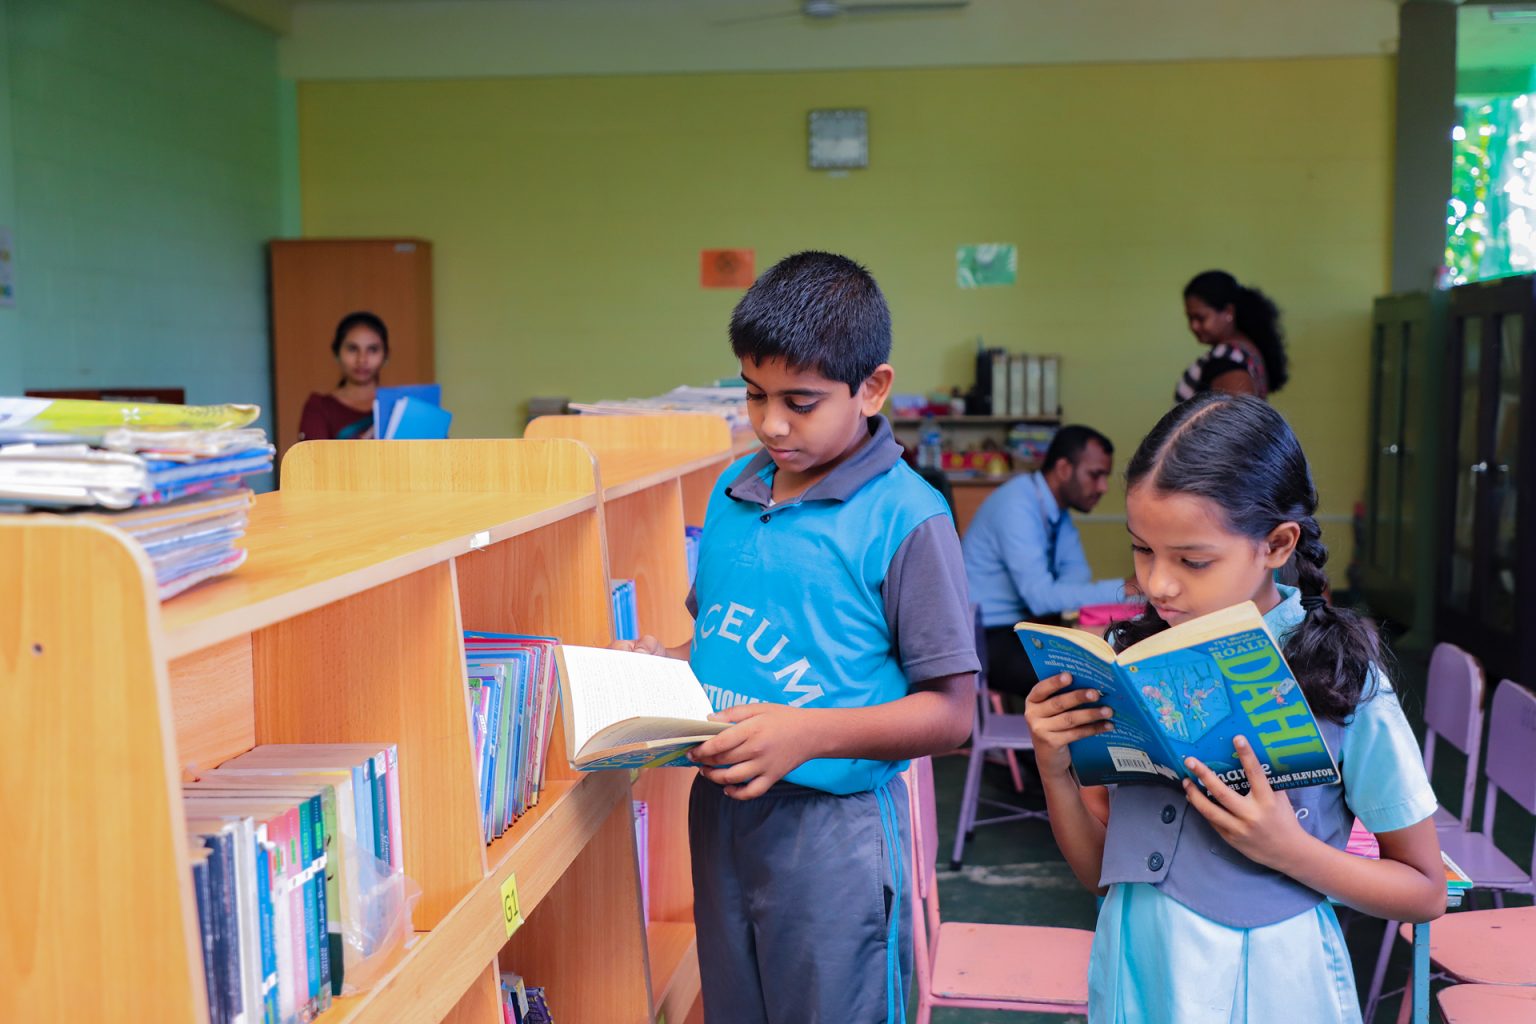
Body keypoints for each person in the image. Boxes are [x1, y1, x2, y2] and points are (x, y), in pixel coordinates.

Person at [616, 251, 978, 1024]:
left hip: (833, 836)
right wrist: (660, 669)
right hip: (719, 817)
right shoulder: (732, 488)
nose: (771, 423)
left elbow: (952, 715)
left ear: (872, 388)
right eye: (754, 395)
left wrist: (806, 736)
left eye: (801, 401)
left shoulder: (907, 518)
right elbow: (722, 644)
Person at [1024, 394, 1443, 1024]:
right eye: (1142, 550)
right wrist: (1054, 766)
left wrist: (1290, 850)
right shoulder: (1131, 664)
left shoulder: (1343, 680)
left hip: (1277, 982)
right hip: (1139, 966)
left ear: (1276, 544)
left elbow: (1426, 891)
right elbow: (1102, 877)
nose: (1158, 584)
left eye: (1193, 560)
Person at [962, 425, 1131, 697]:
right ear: (1064, 469)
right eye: (1095, 475)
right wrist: (1126, 589)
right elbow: (1041, 598)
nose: (1102, 487)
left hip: (1019, 628)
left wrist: (1063, 597)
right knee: (1084, 676)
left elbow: (1076, 580)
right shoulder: (1016, 505)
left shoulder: (1056, 511)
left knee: (1103, 659)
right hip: (985, 639)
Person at [1175, 270, 1289, 402]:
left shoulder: (1228, 360)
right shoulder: (1245, 349)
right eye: (1190, 318)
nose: (1193, 326)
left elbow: (1237, 421)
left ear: (1228, 312)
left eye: (1200, 318)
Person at [297, 311, 389, 441]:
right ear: (336, 354)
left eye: (372, 349)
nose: (362, 359)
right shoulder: (319, 408)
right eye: (352, 349)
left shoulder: (399, 407)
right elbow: (312, 460)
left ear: (386, 356)